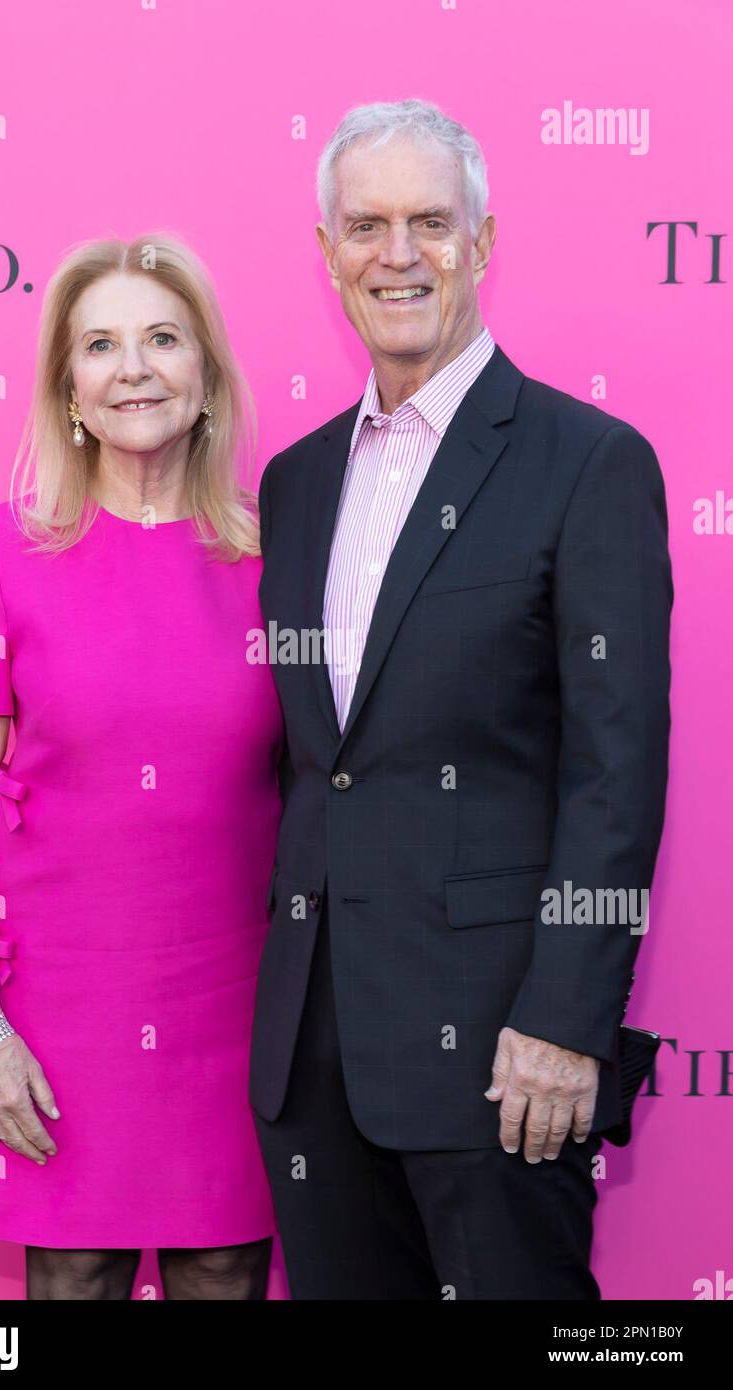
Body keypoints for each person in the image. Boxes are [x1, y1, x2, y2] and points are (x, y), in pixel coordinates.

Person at [249, 99, 673, 1300]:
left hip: (501, 1056)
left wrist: (564, 1021)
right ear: (327, 254)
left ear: (482, 243)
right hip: (313, 1060)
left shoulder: (586, 462)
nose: (398, 253)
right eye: (366, 225)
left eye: (429, 222)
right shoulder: (294, 484)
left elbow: (617, 767)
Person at [0, 234, 283, 1300]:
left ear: (205, 376)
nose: (133, 367)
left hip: (236, 999)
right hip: (60, 1009)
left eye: (162, 338)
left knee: (224, 1264)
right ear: (69, 390)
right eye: (101, 345)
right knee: (72, 1271)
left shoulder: (281, 560)